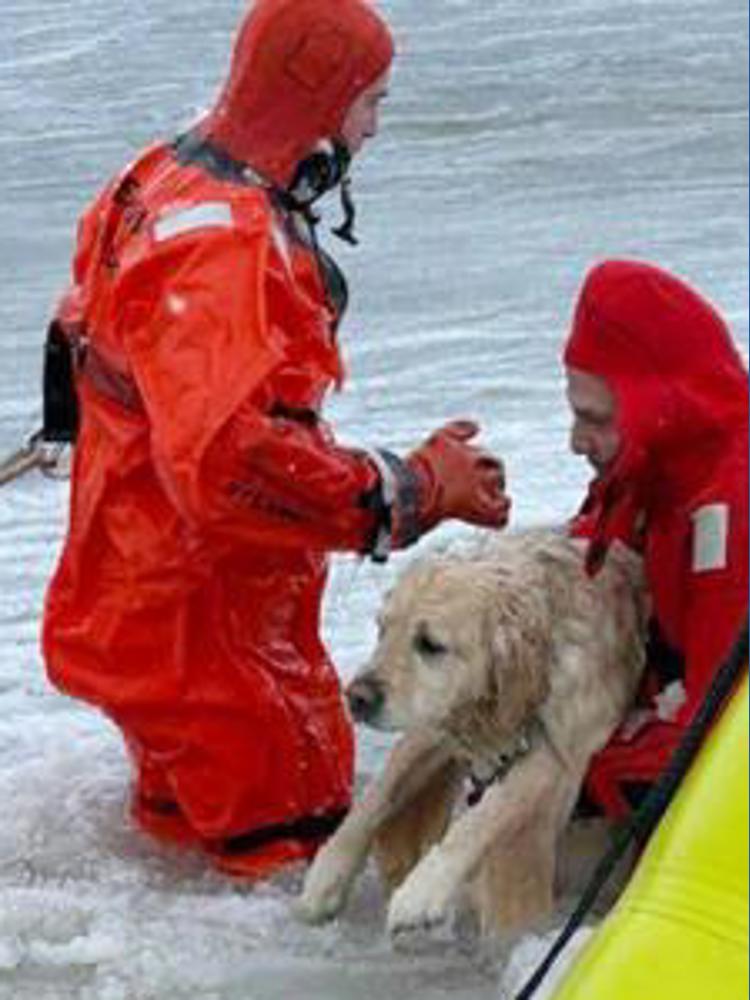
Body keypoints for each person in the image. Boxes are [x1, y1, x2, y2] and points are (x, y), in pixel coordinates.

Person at [42, 0, 510, 880]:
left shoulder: (156, 177)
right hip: (212, 635)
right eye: (369, 103)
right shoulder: (231, 249)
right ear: (319, 100)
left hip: (127, 598)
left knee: (186, 852)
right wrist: (408, 491)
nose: (375, 127)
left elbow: (80, 329)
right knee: (296, 872)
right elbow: (224, 465)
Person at [563, 259, 748, 820]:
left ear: (656, 401)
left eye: (593, 419)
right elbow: (577, 563)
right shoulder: (651, 467)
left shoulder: (730, 507)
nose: (576, 442)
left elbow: (716, 734)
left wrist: (575, 763)